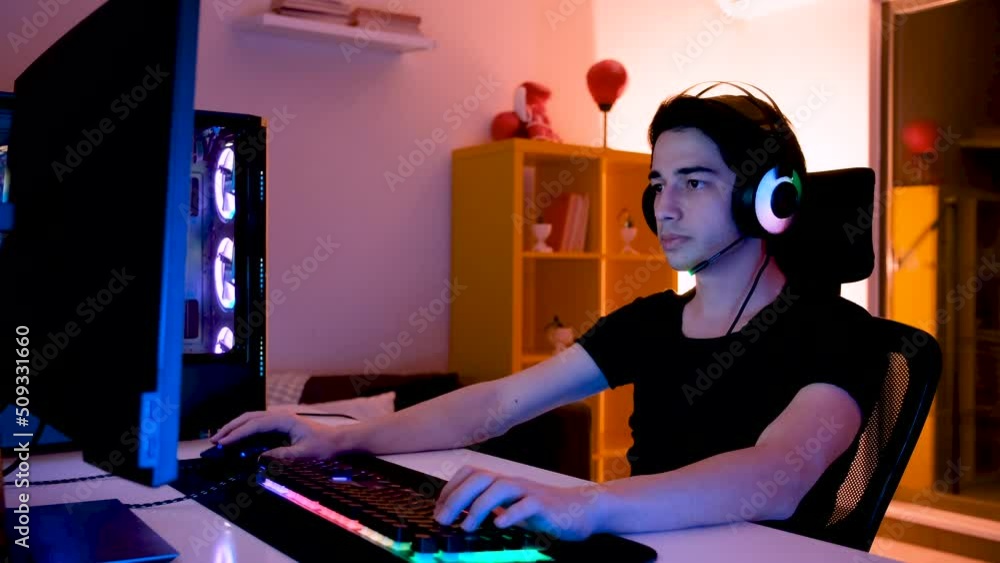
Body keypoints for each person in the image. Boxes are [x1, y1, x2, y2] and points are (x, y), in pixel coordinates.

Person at [211, 82, 880, 544]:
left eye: (694, 181)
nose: (664, 207)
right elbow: (497, 404)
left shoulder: (837, 333)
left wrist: (591, 504)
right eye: (657, 183)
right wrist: (341, 435)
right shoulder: (649, 324)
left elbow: (777, 478)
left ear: (773, 200)